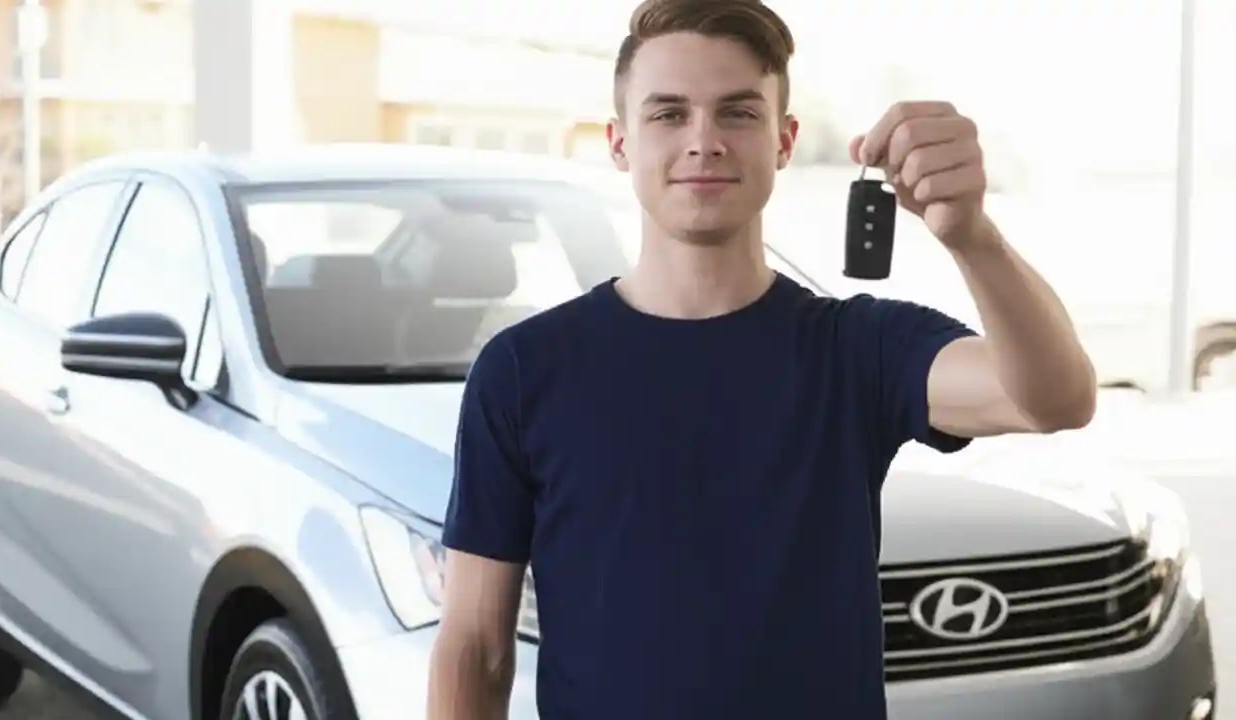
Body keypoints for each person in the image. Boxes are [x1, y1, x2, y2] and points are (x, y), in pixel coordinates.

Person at [426, 0, 1097, 718]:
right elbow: (476, 643)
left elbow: (1054, 400)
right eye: (669, 114)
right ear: (620, 142)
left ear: (784, 139)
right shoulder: (524, 371)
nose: (704, 140)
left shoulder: (858, 350)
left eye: (738, 113)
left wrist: (971, 235)